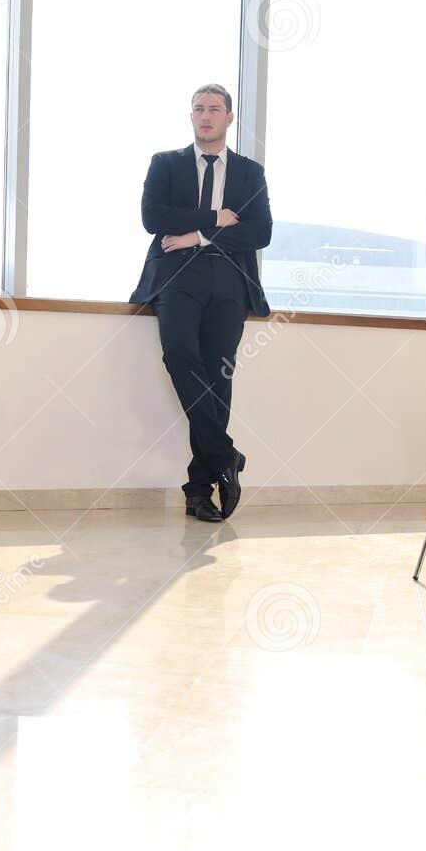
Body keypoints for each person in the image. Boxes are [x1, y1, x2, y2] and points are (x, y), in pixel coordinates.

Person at [130, 84, 272, 522]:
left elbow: (260, 231)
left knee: (218, 373)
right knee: (179, 355)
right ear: (190, 117)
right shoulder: (166, 164)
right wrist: (214, 216)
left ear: (229, 118)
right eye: (198, 109)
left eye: (214, 109)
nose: (205, 116)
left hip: (229, 277)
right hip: (177, 275)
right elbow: (153, 218)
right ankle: (225, 455)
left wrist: (199, 234)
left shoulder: (249, 172)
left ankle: (198, 491)